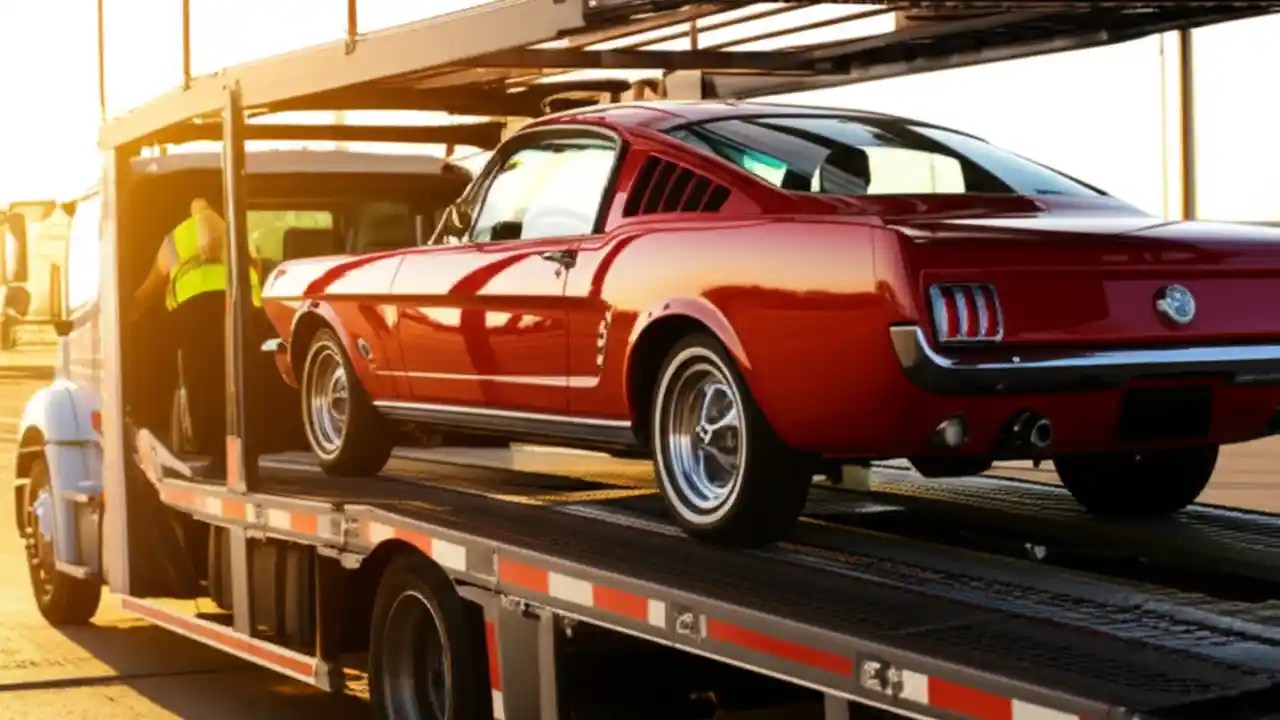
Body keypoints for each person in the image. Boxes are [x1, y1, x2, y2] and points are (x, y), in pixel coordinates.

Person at [130, 198, 260, 476]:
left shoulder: (176, 239)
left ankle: (217, 454)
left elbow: (151, 286)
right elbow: (255, 269)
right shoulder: (236, 231)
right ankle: (248, 454)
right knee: (240, 379)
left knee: (203, 383)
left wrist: (130, 313)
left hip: (196, 313)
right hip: (240, 309)